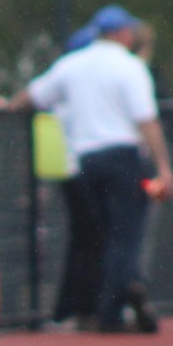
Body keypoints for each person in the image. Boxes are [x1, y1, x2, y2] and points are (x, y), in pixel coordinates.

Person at [3, 4, 173, 333]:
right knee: (126, 237)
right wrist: (164, 167)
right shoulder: (130, 67)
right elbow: (147, 120)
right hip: (123, 156)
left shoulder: (73, 64)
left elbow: (34, 94)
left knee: (98, 236)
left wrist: (8, 105)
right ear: (122, 33)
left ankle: (97, 303)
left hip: (86, 162)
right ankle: (111, 309)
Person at [47, 24, 105, 326]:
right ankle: (78, 307)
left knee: (88, 239)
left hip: (74, 168)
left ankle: (79, 306)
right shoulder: (72, 83)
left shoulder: (72, 83)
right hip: (76, 169)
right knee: (90, 239)